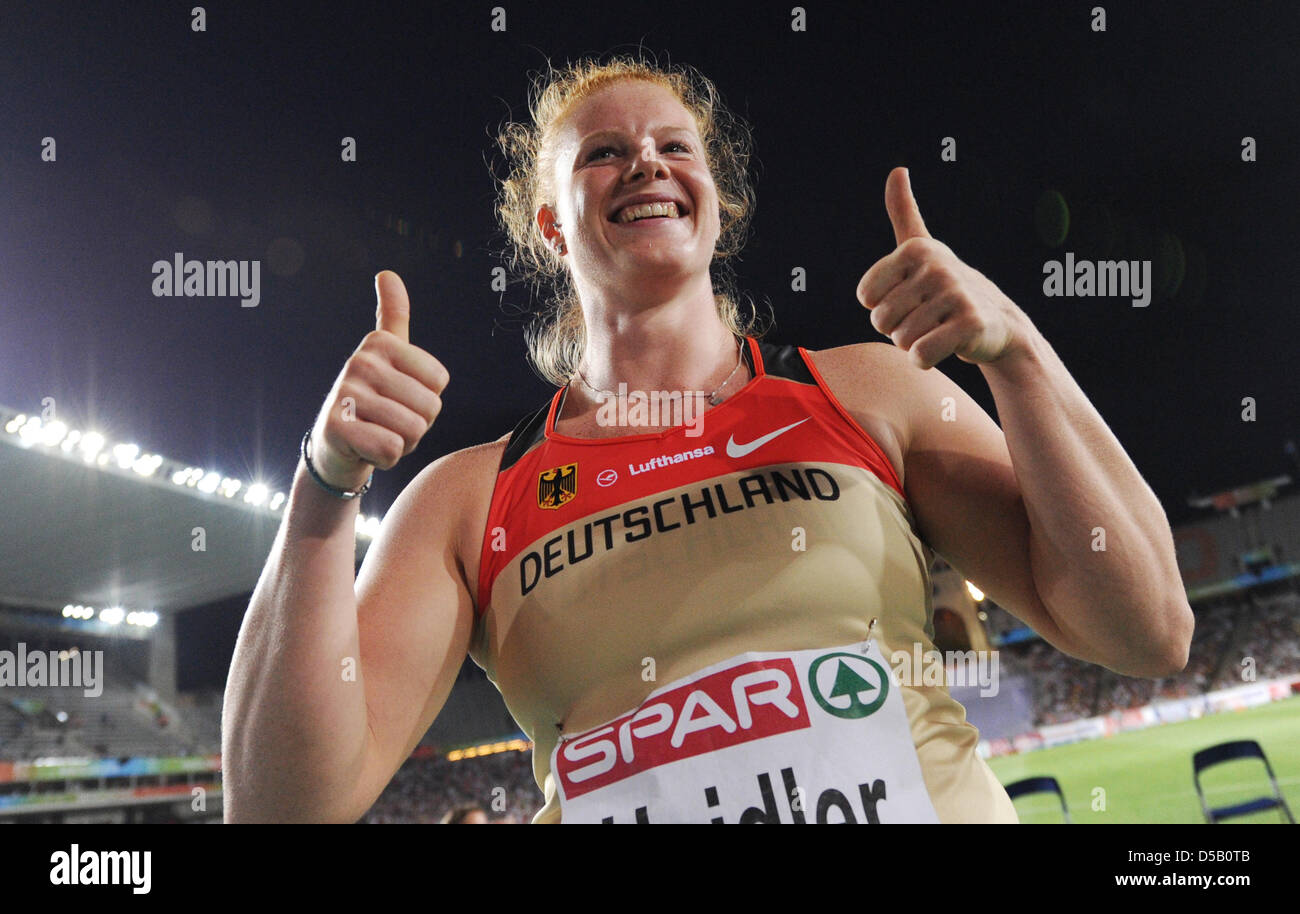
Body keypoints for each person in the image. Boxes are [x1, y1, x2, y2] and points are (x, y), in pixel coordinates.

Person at [222, 55, 1194, 824]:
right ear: (551, 225)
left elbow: (1148, 628)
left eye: (673, 146)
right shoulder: (468, 498)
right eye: (604, 152)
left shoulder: (865, 390)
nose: (646, 162)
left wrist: (1017, 352)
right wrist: (325, 484)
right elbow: (278, 806)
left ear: (714, 200)